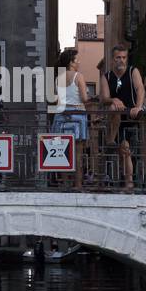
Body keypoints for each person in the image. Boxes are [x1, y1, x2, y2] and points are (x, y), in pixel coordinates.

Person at [101, 45, 146, 191]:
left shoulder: (133, 71)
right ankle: (111, 139)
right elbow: (104, 98)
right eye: (118, 57)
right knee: (113, 107)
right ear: (113, 59)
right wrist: (113, 99)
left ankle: (129, 183)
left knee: (126, 151)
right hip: (115, 118)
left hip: (130, 116)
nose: (121, 60)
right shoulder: (106, 76)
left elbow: (140, 89)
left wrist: (138, 107)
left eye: (124, 57)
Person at [50, 48, 90, 190]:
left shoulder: (57, 78)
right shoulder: (78, 76)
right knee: (78, 153)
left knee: (63, 152)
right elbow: (85, 99)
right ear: (71, 62)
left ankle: (65, 183)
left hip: (61, 116)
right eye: (77, 59)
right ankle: (78, 185)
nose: (79, 62)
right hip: (77, 115)